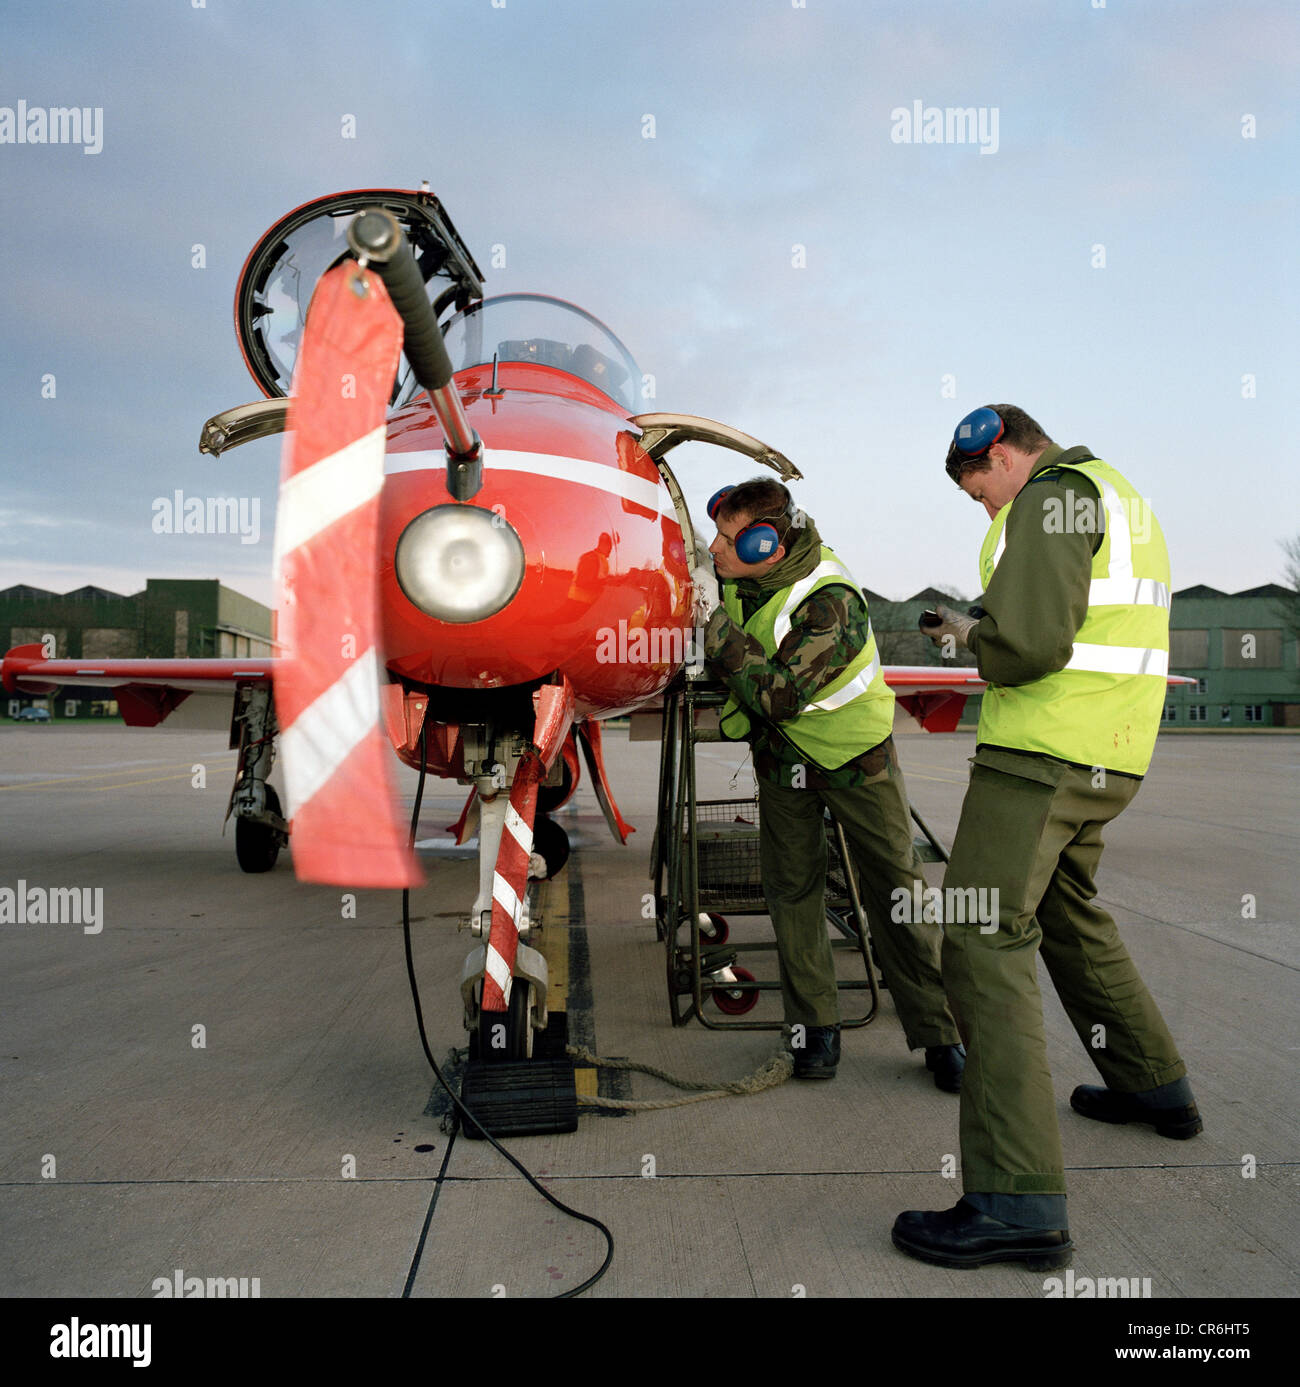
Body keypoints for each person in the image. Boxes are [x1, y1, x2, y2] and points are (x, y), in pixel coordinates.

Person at [892, 404, 1201, 1271]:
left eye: (979, 489)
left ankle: (1015, 1200)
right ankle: (1152, 1081)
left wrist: (973, 636)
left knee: (982, 937)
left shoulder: (1051, 496)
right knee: (1067, 914)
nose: (986, 508)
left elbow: (1029, 643)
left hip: (1042, 756)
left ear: (999, 450)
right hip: (1113, 755)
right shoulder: (1120, 494)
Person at [694, 477, 965, 1087]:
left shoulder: (830, 600)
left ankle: (939, 1031)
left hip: (855, 761)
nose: (712, 548)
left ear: (767, 545)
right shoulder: (740, 580)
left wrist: (716, 635)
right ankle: (814, 1029)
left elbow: (780, 695)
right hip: (783, 761)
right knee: (793, 892)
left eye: (726, 539)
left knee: (896, 891)